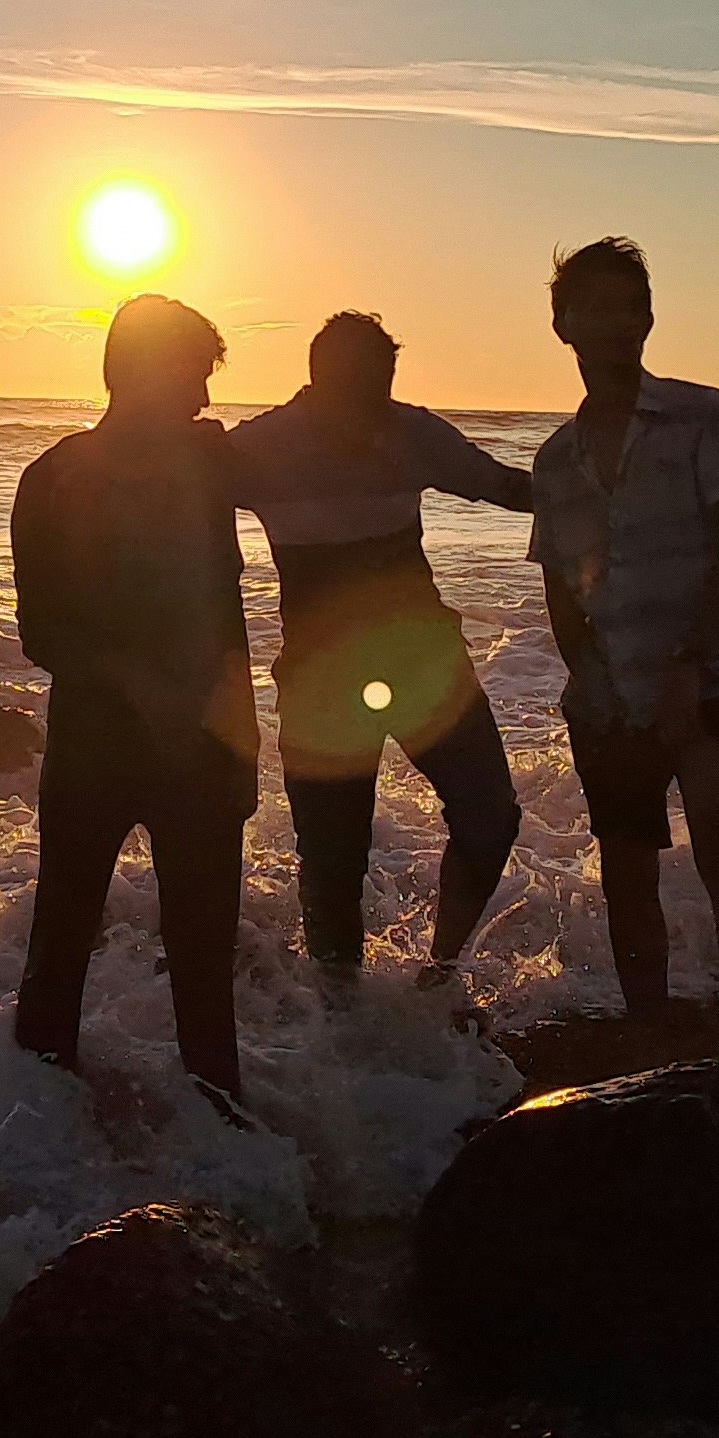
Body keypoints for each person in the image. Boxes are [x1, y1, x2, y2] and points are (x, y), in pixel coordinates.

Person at [223, 312, 534, 1002]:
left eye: (383, 385)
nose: (372, 405)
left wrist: (615, 499)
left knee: (490, 815)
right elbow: (176, 493)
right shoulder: (263, 446)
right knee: (332, 856)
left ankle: (441, 969)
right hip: (319, 679)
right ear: (316, 380)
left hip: (424, 663)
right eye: (357, 387)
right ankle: (340, 1006)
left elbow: (511, 489)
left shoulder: (412, 431)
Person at [9, 292, 258, 1117]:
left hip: (203, 746)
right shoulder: (56, 477)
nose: (204, 399)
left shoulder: (209, 472)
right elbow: (42, 631)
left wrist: (244, 742)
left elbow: (228, 613)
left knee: (205, 959)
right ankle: (39, 1131)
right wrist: (136, 684)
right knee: (61, 943)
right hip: (96, 746)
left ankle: (222, 1128)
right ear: (139, 373)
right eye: (192, 377)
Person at [528, 237, 719, 1059]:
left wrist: (687, 668)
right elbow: (562, 590)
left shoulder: (703, 414)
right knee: (628, 871)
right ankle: (648, 1039)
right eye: (592, 307)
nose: (611, 322)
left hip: (712, 675)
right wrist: (593, 682)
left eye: (626, 306)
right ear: (563, 324)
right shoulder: (556, 458)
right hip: (610, 693)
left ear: (648, 318)